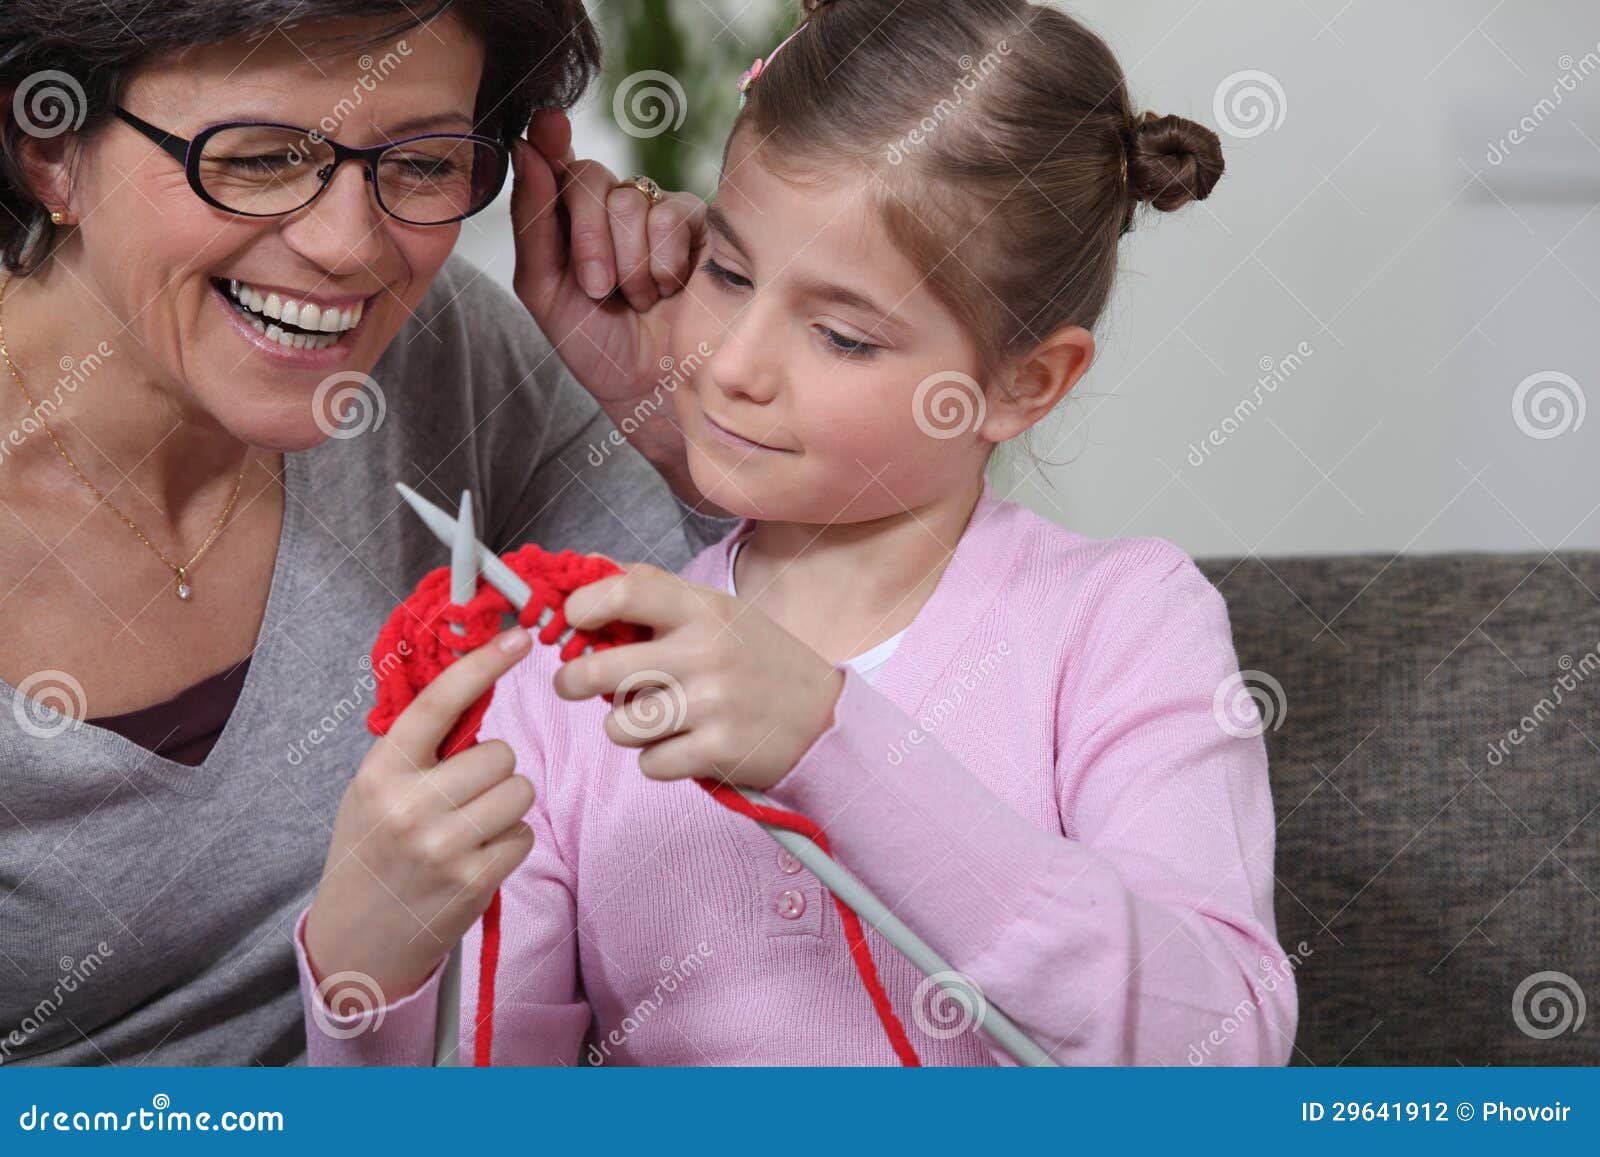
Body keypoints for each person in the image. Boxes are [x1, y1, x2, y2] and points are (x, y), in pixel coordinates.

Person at [300, 0, 1297, 1066]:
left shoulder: (1123, 625)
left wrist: (835, 744)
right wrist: (371, 972)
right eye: (726, 274)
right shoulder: (572, 681)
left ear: (1025, 382)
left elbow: (1219, 1048)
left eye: (840, 334)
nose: (732, 363)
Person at [0, 0, 734, 1066]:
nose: (349, 246)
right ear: (51, 150)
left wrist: (682, 434)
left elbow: (765, 755)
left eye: (425, 164)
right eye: (256, 157)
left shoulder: (439, 360)